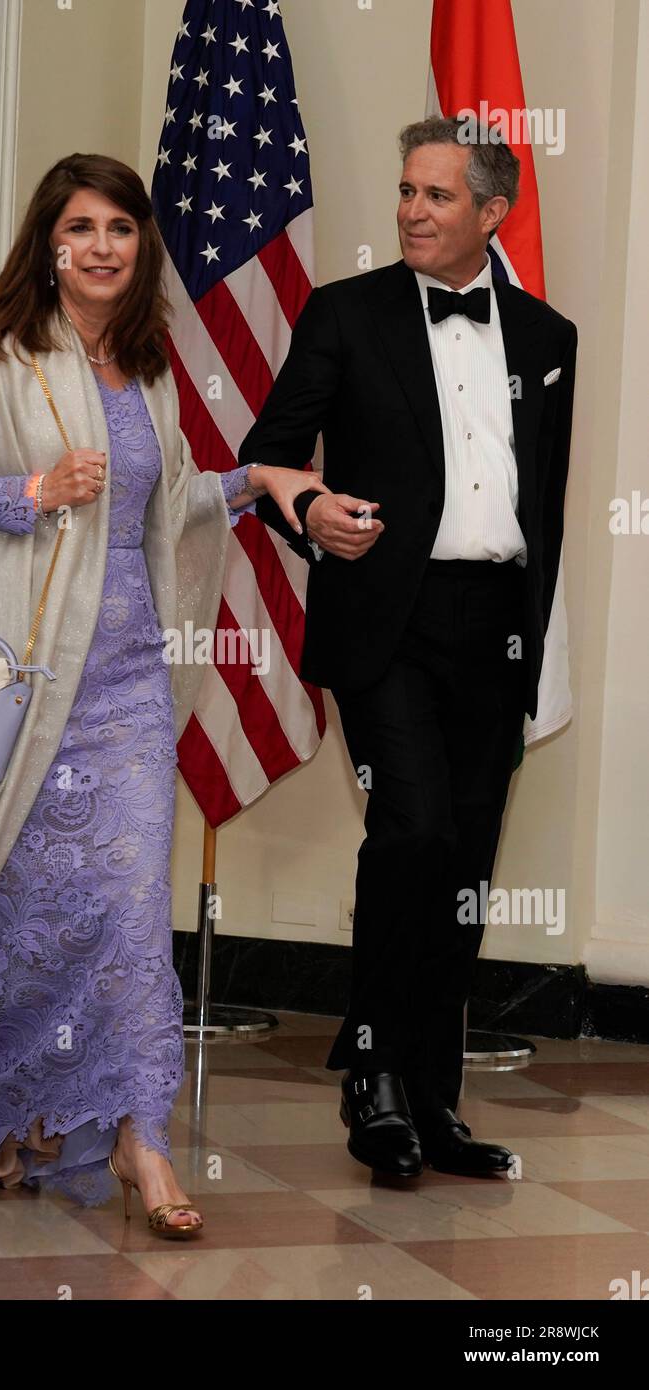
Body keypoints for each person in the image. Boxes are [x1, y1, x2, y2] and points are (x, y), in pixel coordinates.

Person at [0, 153, 322, 1232]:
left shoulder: (150, 368)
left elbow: (167, 516)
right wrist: (28, 491)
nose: (102, 246)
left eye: (120, 226)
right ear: (49, 243)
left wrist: (256, 479)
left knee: (125, 910)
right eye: (81, 227)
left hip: (126, 690)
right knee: (6, 913)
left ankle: (140, 1138)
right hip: (25, 684)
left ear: (138, 244)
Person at [240, 116, 578, 1178]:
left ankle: (434, 1098)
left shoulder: (546, 338)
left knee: (465, 863)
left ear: (491, 211)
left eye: (436, 196)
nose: (410, 211)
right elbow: (267, 454)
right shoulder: (344, 314)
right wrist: (310, 513)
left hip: (496, 633)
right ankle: (372, 1077)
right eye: (404, 191)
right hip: (386, 621)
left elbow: (545, 502)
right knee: (412, 834)